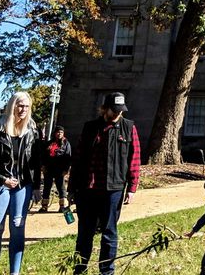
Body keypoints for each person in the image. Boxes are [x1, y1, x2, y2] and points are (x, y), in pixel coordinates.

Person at [68, 92, 141, 275]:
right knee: (85, 233)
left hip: (113, 189)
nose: (117, 113)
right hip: (87, 189)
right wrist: (71, 188)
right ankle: (80, 269)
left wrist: (132, 188)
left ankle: (106, 271)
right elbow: (77, 159)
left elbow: (134, 160)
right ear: (105, 109)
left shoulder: (129, 128)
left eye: (120, 110)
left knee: (109, 233)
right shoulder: (90, 128)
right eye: (114, 110)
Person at [0, 92, 42, 275]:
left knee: (18, 227)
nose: (23, 109)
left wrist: (36, 187)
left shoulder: (33, 131)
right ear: (12, 105)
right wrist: (2, 179)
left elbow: (36, 162)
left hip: (22, 186)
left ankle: (15, 272)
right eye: (20, 105)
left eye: (27, 106)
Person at [40, 125, 72, 212]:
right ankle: (44, 206)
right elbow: (43, 156)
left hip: (60, 169)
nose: (59, 134)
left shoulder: (66, 144)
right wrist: (43, 166)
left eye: (61, 132)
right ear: (55, 133)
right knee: (47, 187)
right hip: (49, 169)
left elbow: (68, 158)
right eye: (58, 132)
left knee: (61, 187)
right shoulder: (49, 143)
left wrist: (66, 170)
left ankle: (63, 206)